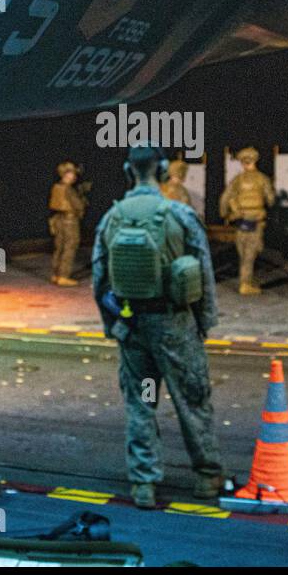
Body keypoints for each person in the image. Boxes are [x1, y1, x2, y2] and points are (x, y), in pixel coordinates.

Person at [92, 145, 225, 509]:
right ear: (164, 170)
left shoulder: (112, 217)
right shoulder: (179, 214)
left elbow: (99, 279)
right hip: (174, 325)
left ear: (127, 170)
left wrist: (114, 325)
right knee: (191, 398)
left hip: (133, 326)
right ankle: (206, 476)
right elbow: (205, 274)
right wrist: (204, 323)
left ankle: (144, 484)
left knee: (141, 402)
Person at [219, 147, 276, 295]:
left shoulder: (237, 180)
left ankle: (247, 280)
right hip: (256, 220)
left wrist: (225, 214)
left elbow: (225, 198)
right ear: (255, 161)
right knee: (251, 253)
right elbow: (271, 200)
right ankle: (245, 284)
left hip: (240, 220)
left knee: (243, 253)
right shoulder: (263, 179)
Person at [49, 161, 87, 286]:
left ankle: (56, 274)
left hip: (58, 219)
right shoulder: (68, 189)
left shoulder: (56, 187)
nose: (74, 176)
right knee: (70, 247)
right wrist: (82, 198)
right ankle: (63, 275)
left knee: (59, 247)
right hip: (70, 221)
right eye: (72, 173)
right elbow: (78, 205)